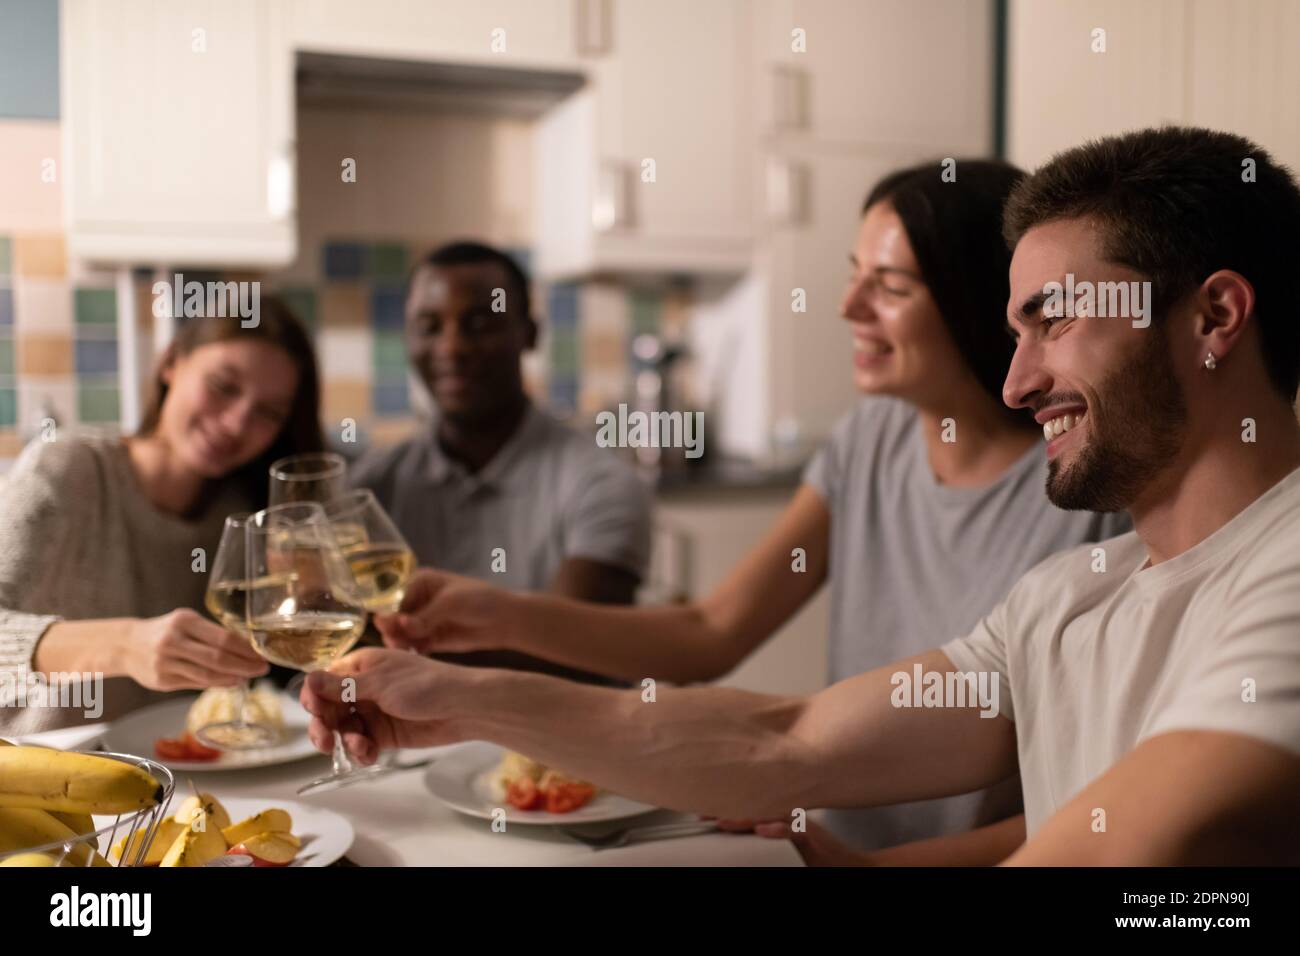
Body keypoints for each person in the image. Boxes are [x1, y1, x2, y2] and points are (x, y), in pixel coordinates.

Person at [305, 126, 1300, 865]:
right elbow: (781, 737)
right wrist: (458, 698)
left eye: (1053, 321)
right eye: (1013, 330)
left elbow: (1139, 848)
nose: (1016, 379)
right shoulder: (1068, 597)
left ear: (1214, 315)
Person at [0, 299, 324, 734]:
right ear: (171, 362)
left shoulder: (245, 517)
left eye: (268, 413)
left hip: (186, 785)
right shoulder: (68, 470)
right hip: (45, 778)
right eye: (223, 387)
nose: (236, 423)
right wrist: (126, 645)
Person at [347, 241, 653, 681]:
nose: (452, 348)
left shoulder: (601, 482)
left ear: (529, 334)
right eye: (429, 326)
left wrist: (392, 654)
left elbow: (575, 655)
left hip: (556, 745)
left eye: (479, 324)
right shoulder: (373, 486)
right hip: (406, 744)